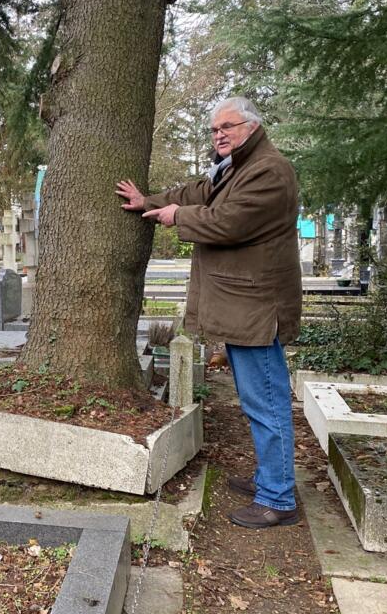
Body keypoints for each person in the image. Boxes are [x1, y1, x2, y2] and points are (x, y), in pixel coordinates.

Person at [116, 96, 302, 529]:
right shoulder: (236, 167)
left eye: (227, 127)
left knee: (266, 401)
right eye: (215, 129)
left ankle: (278, 497)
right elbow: (196, 193)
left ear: (252, 127)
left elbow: (228, 221)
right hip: (244, 305)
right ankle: (270, 478)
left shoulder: (269, 171)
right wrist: (148, 201)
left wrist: (177, 216)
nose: (219, 135)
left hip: (257, 307)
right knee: (258, 400)